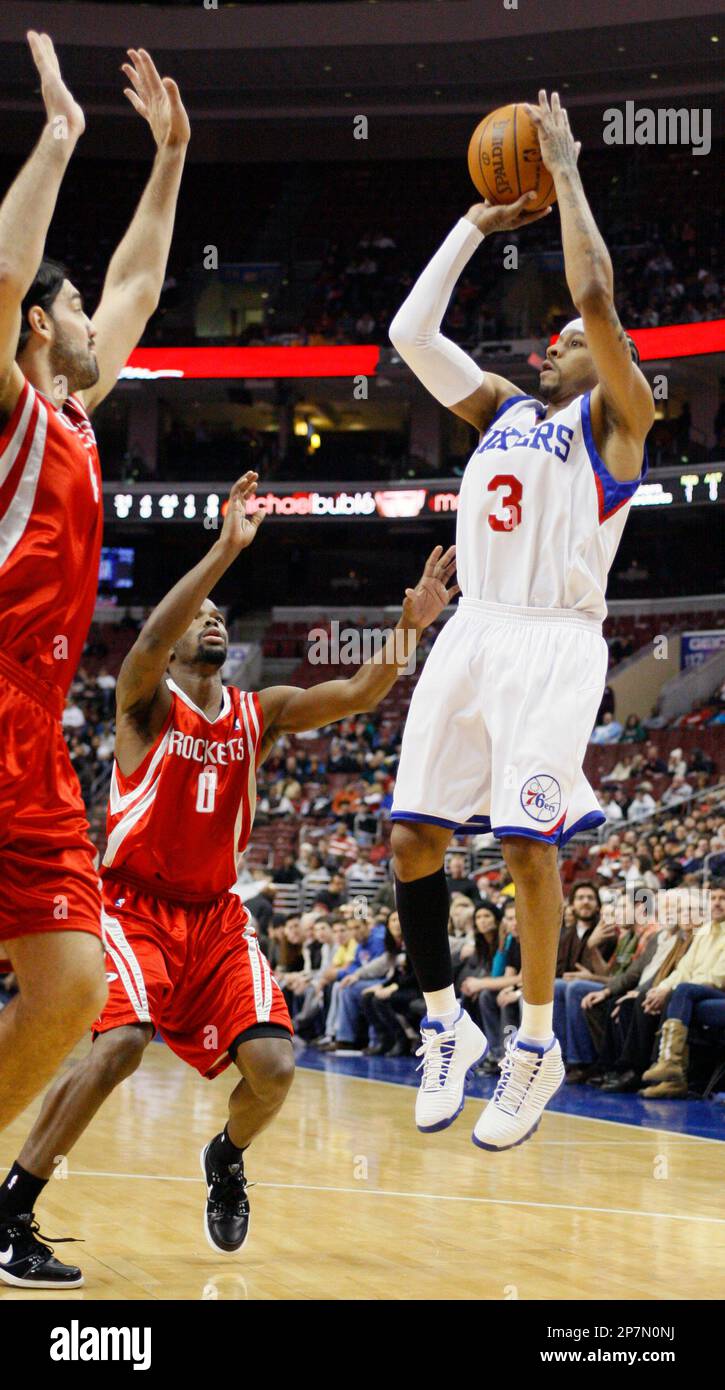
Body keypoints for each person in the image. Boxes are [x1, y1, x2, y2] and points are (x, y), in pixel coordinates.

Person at [0, 474, 457, 1288]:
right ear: (175, 646)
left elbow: (354, 693)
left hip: (213, 919)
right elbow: (145, 641)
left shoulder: (261, 709)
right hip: (133, 907)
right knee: (121, 1049)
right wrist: (223, 550)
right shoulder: (146, 702)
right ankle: (12, 1211)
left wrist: (406, 628)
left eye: (219, 616)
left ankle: (226, 1155)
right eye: (199, 617)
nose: (211, 618)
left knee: (277, 1070)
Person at [387, 89, 653, 1148]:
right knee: (409, 835)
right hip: (473, 629)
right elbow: (410, 331)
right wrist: (474, 224)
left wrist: (567, 169)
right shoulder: (502, 410)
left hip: (551, 641)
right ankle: (444, 1022)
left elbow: (591, 292)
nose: (550, 347)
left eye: (566, 342)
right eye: (542, 341)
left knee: (523, 846)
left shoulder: (618, 418)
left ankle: (534, 1046)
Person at [0, 37, 188, 1139]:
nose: (93, 328)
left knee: (71, 990)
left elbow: (139, 281)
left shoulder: (69, 410)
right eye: (71, 317)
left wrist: (167, 156)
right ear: (37, 325)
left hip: (37, 727)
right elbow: (6, 276)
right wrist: (63, 137)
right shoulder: (12, 408)